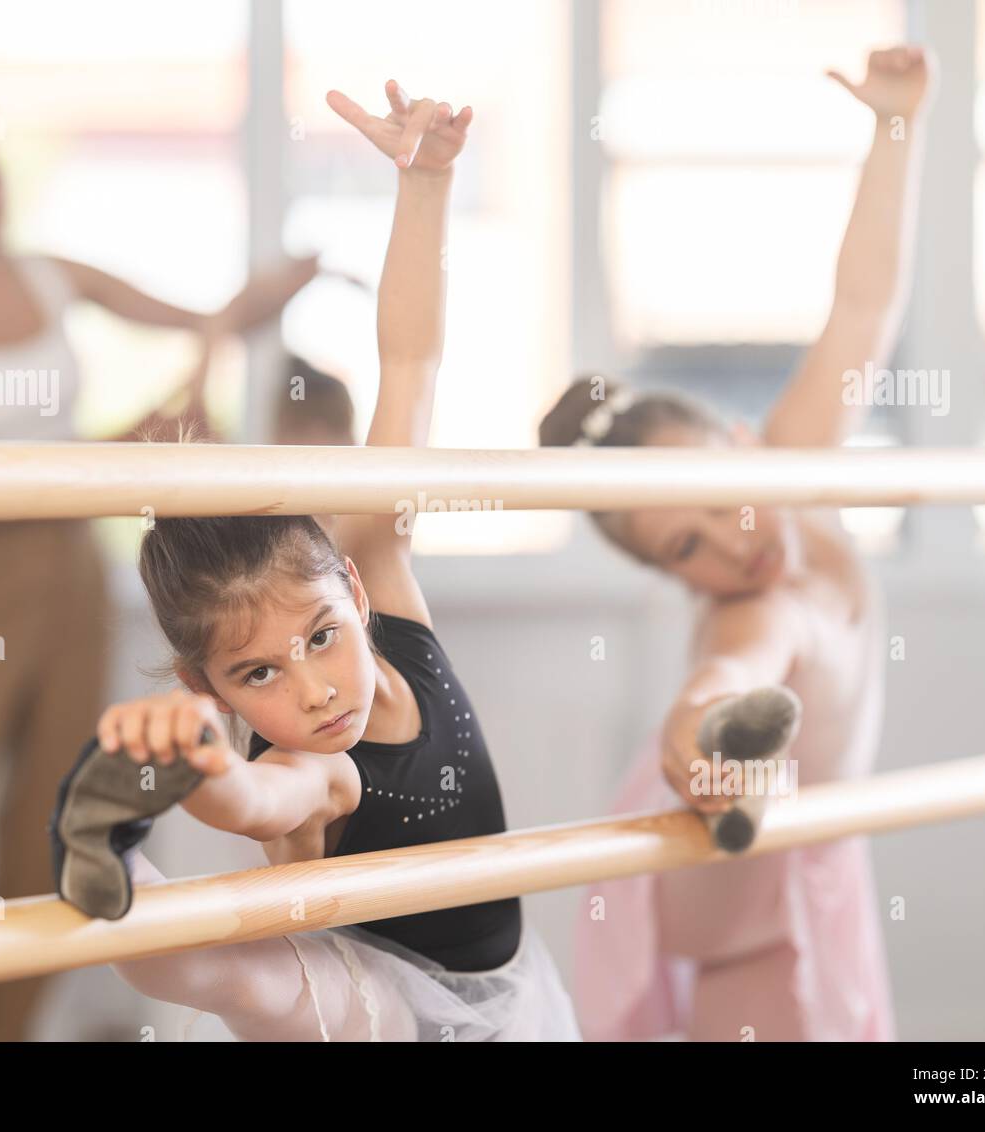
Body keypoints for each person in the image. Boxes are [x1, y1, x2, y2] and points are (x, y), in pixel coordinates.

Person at [94, 80, 580, 1041]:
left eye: (320, 636)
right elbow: (252, 797)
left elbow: (410, 367)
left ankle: (123, 876)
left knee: (259, 971)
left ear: (355, 589)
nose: (316, 691)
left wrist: (425, 183)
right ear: (210, 689)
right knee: (246, 977)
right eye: (260, 673)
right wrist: (192, 765)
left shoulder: (386, 585)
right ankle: (113, 866)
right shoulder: (306, 767)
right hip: (371, 1003)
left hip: (494, 1001)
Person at [0, 95, 316, 1043]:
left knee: (53, 827)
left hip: (72, 581)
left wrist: (269, 294)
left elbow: (209, 318)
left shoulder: (52, 278)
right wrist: (125, 447)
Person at [542, 46, 936, 1041]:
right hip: (734, 856)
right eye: (687, 546)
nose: (731, 541)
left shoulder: (798, 464)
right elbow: (720, 679)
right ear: (673, 575)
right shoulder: (751, 611)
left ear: (739, 438)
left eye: (720, 496)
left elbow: (861, 309)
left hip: (803, 846)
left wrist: (894, 127)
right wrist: (704, 746)